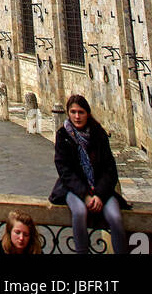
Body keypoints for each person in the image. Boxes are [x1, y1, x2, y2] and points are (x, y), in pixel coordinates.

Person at [49, 94, 129, 255]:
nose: (77, 116)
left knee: (115, 217)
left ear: (88, 113)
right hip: (73, 190)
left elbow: (110, 169)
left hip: (101, 191)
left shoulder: (98, 134)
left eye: (81, 112)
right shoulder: (63, 135)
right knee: (79, 212)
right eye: (73, 112)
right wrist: (85, 195)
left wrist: (98, 195)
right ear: (68, 113)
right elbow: (64, 170)